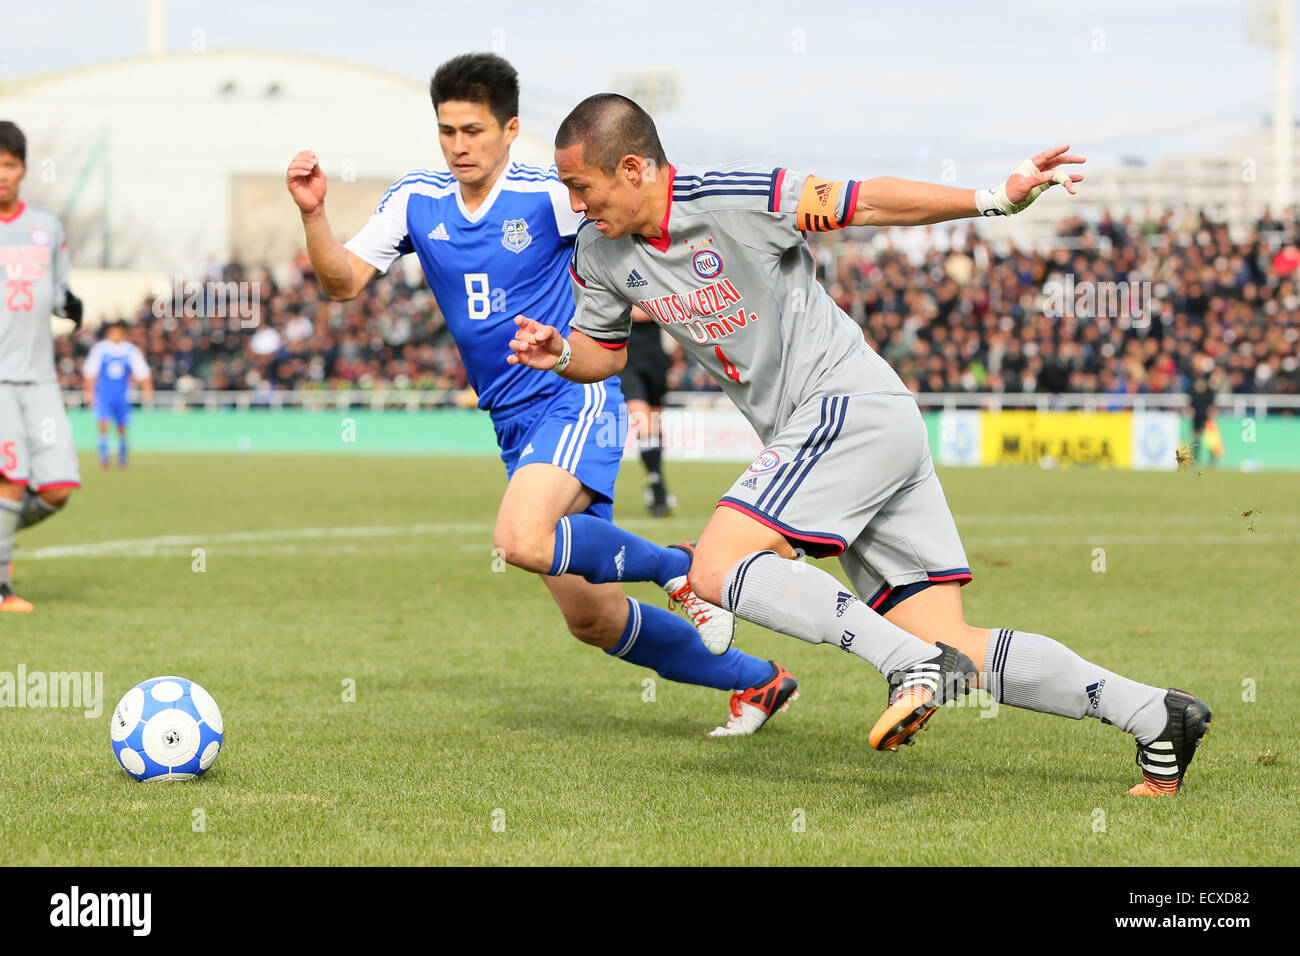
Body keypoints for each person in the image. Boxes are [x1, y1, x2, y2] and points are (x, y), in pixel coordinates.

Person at [508, 93, 1212, 793]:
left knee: (717, 568)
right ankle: (1154, 715)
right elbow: (601, 351)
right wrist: (557, 353)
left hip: (844, 405)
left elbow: (863, 201)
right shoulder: (601, 252)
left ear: (633, 168)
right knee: (953, 642)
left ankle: (910, 668)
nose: (575, 205)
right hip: (856, 430)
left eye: (580, 186)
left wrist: (993, 198)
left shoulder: (733, 195)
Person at [286, 56, 796, 736]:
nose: (459, 145)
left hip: (571, 398)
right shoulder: (417, 201)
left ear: (510, 129)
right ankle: (758, 681)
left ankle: (680, 568)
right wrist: (315, 215)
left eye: (474, 129)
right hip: (511, 424)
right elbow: (343, 282)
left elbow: (639, 218)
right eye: (447, 131)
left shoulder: (550, 196)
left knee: (521, 538)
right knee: (594, 618)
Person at [0, 120, 84, 613]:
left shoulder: (46, 226)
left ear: (23, 169)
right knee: (10, 476)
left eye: (9, 165)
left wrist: (70, 304)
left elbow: (58, 292)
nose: (2, 174)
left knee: (56, 487)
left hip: (40, 377)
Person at [622, 309, 677, 516]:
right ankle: (658, 487)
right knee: (643, 422)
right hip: (627, 358)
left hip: (655, 359)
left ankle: (656, 482)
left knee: (655, 425)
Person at [83, 320, 154, 469]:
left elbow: (142, 372)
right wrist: (88, 392)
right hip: (104, 395)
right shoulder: (100, 350)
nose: (115, 334)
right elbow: (90, 372)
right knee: (103, 424)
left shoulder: (130, 350)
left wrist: (147, 389)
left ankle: (122, 459)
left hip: (122, 395)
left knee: (122, 427)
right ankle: (104, 459)